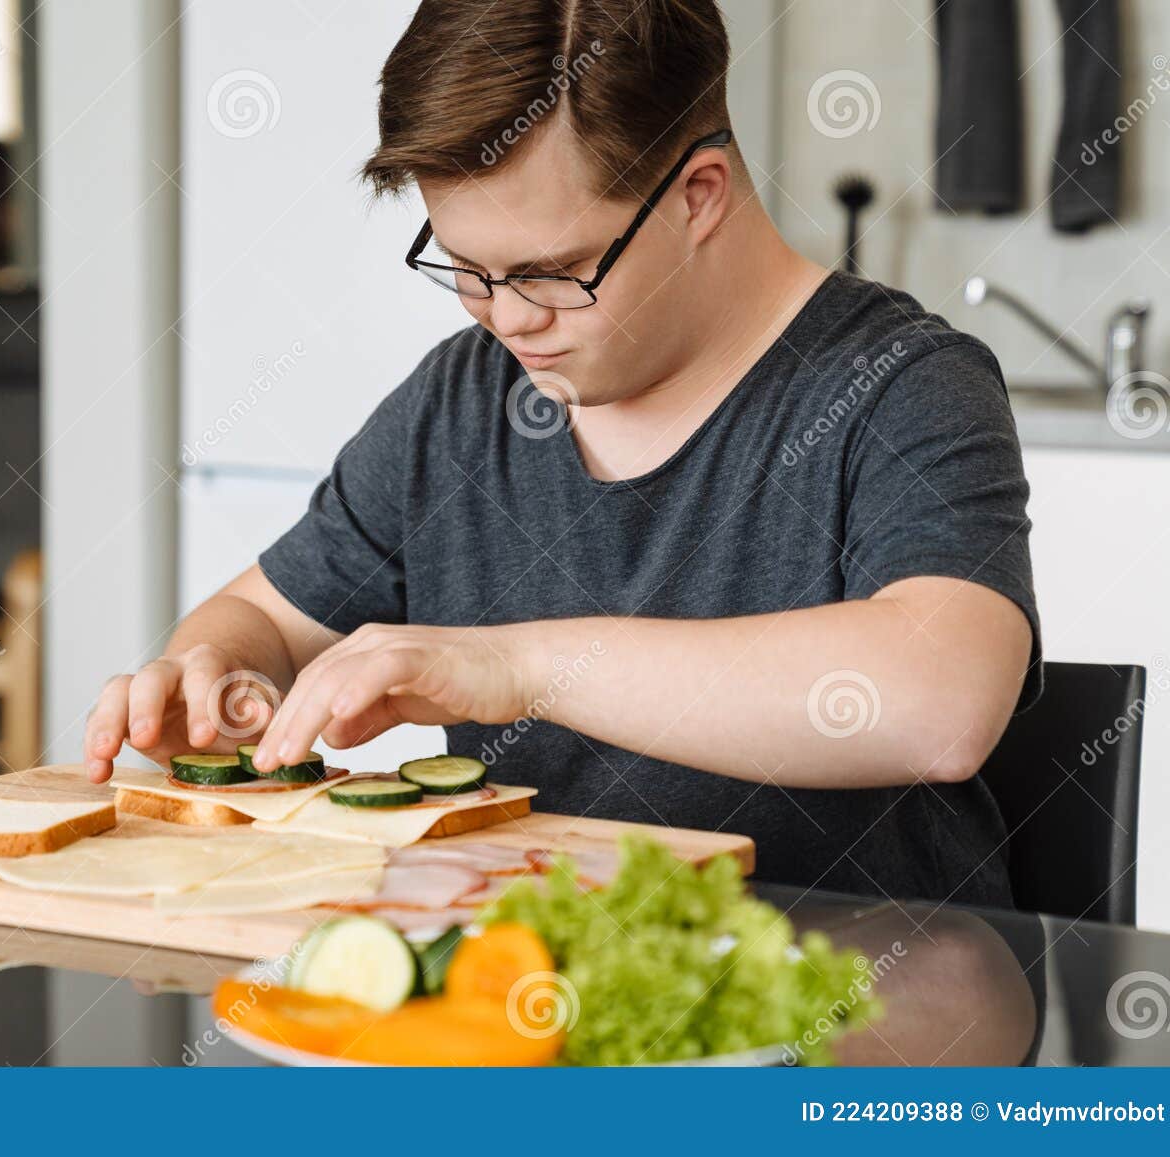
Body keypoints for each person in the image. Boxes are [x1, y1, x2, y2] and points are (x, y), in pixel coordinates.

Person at [84, 0, 1039, 906]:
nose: (507, 318)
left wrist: (522, 668)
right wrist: (217, 679)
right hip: (534, 1018)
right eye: (466, 269)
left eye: (551, 272)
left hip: (852, 1031)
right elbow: (258, 618)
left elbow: (941, 697)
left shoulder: (902, 383)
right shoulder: (460, 403)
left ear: (699, 195)